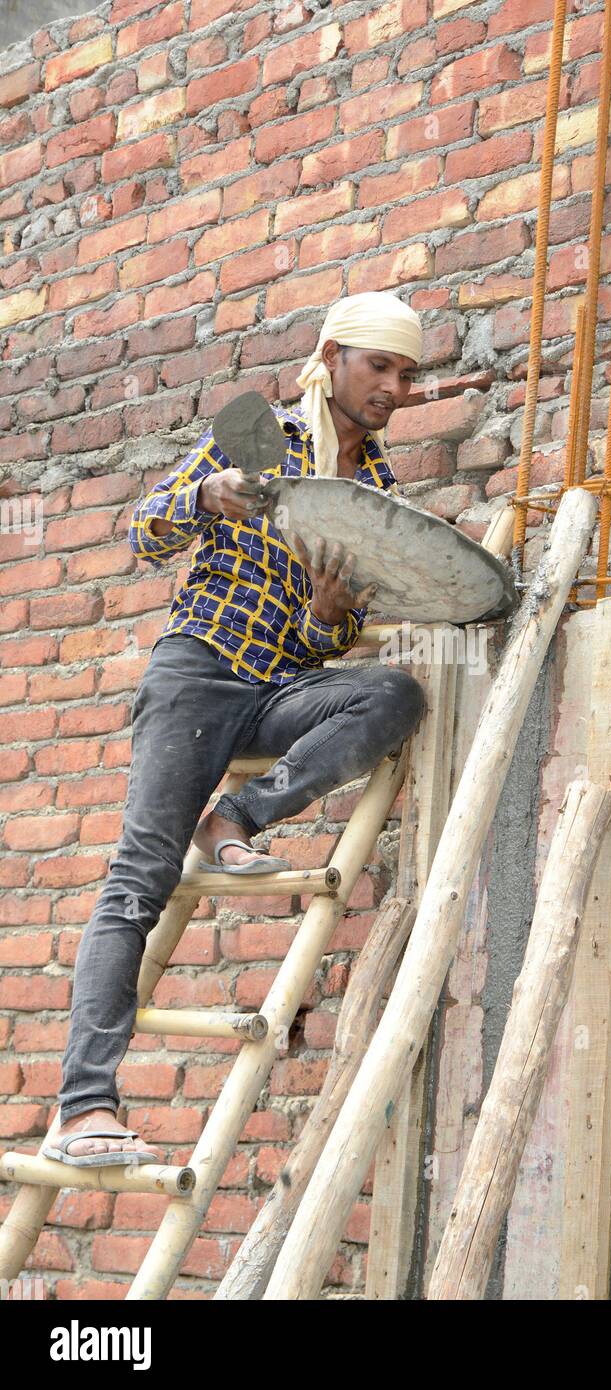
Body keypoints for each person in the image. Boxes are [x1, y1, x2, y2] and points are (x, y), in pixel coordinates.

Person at [48, 292, 427, 1167]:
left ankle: (236, 820)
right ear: (331, 357)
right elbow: (143, 533)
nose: (393, 387)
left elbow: (314, 644)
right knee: (138, 878)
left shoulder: (372, 490)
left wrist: (330, 618)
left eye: (406, 375)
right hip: (197, 677)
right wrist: (207, 496)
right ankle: (84, 1109)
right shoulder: (258, 433)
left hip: (279, 687)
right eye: (379, 367)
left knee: (393, 695)